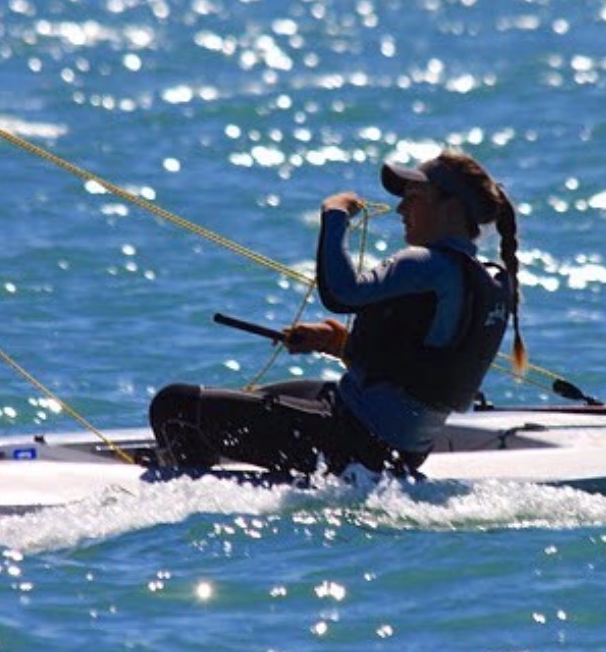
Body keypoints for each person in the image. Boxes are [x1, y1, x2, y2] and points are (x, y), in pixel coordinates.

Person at [148, 150, 527, 477]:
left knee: (173, 406)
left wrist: (333, 217)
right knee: (255, 397)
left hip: (355, 441)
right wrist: (338, 344)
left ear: (452, 207)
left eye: (414, 197)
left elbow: (340, 293)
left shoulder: (424, 264)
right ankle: (193, 462)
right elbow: (423, 366)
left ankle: (189, 485)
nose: (400, 209)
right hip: (401, 449)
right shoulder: (490, 279)